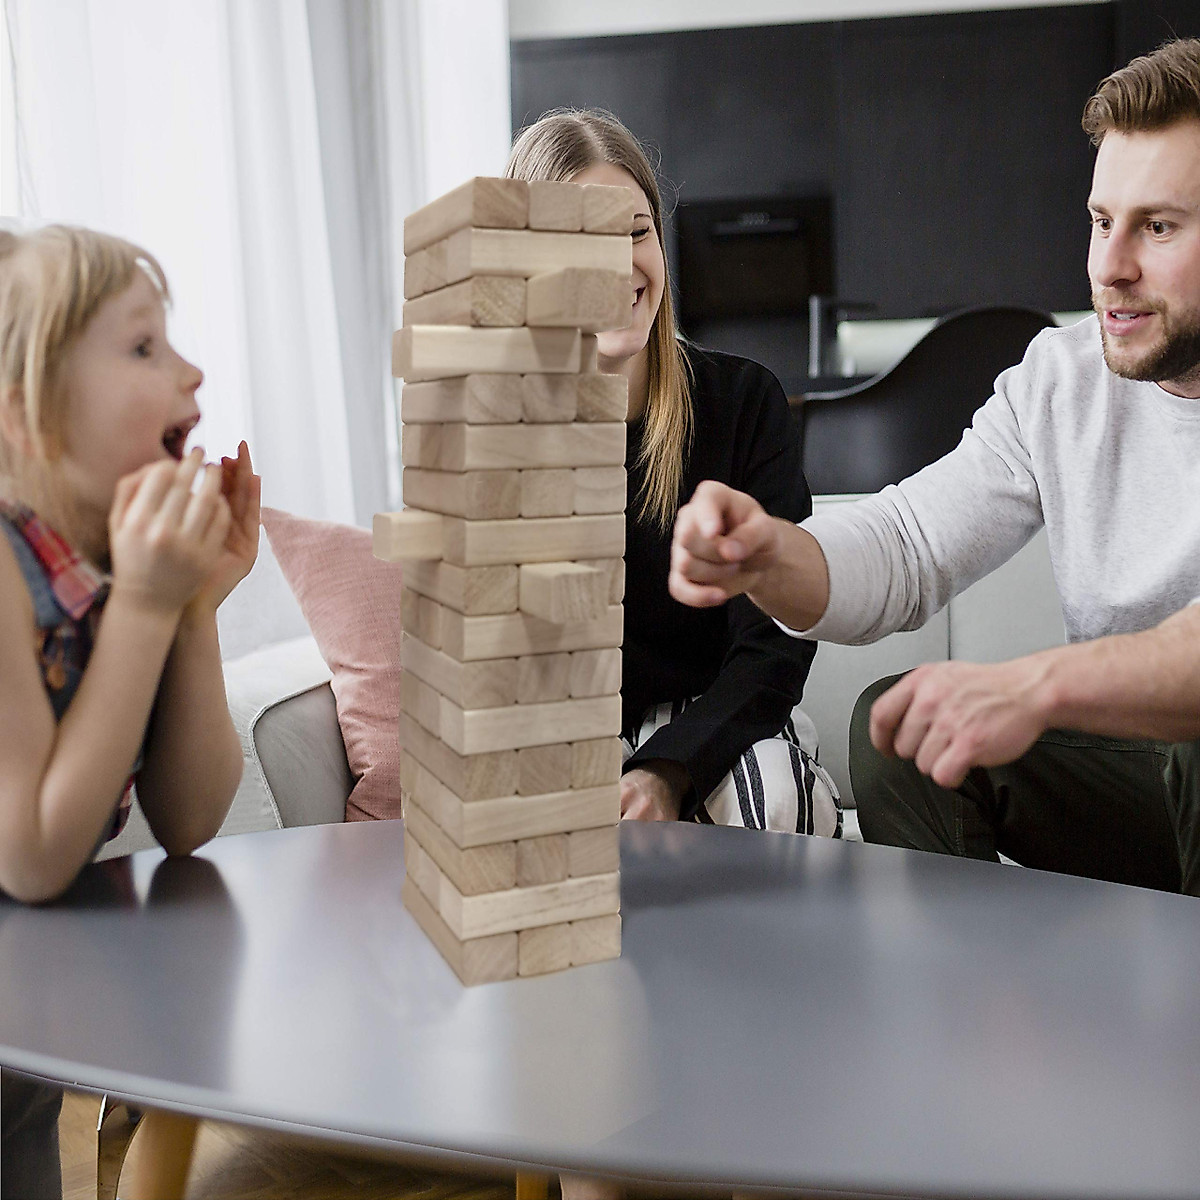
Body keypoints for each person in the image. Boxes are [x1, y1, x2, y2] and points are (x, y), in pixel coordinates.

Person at [669, 36, 1200, 895]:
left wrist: (1037, 687)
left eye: (1159, 227)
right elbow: (910, 543)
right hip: (1145, 786)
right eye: (1102, 221)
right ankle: (986, 1009)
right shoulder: (1061, 381)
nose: (1110, 265)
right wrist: (775, 555)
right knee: (910, 732)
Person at [0, 225, 259, 1199]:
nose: (192, 373)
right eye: (143, 347)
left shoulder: (104, 562)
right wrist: (147, 608)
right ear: (33, 418)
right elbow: (29, 854)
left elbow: (191, 816)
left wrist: (189, 608)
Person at [506, 109, 840, 836]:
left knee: (773, 798)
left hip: (720, 719)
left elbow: (773, 644)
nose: (622, 265)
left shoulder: (744, 401)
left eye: (635, 232)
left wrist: (666, 770)